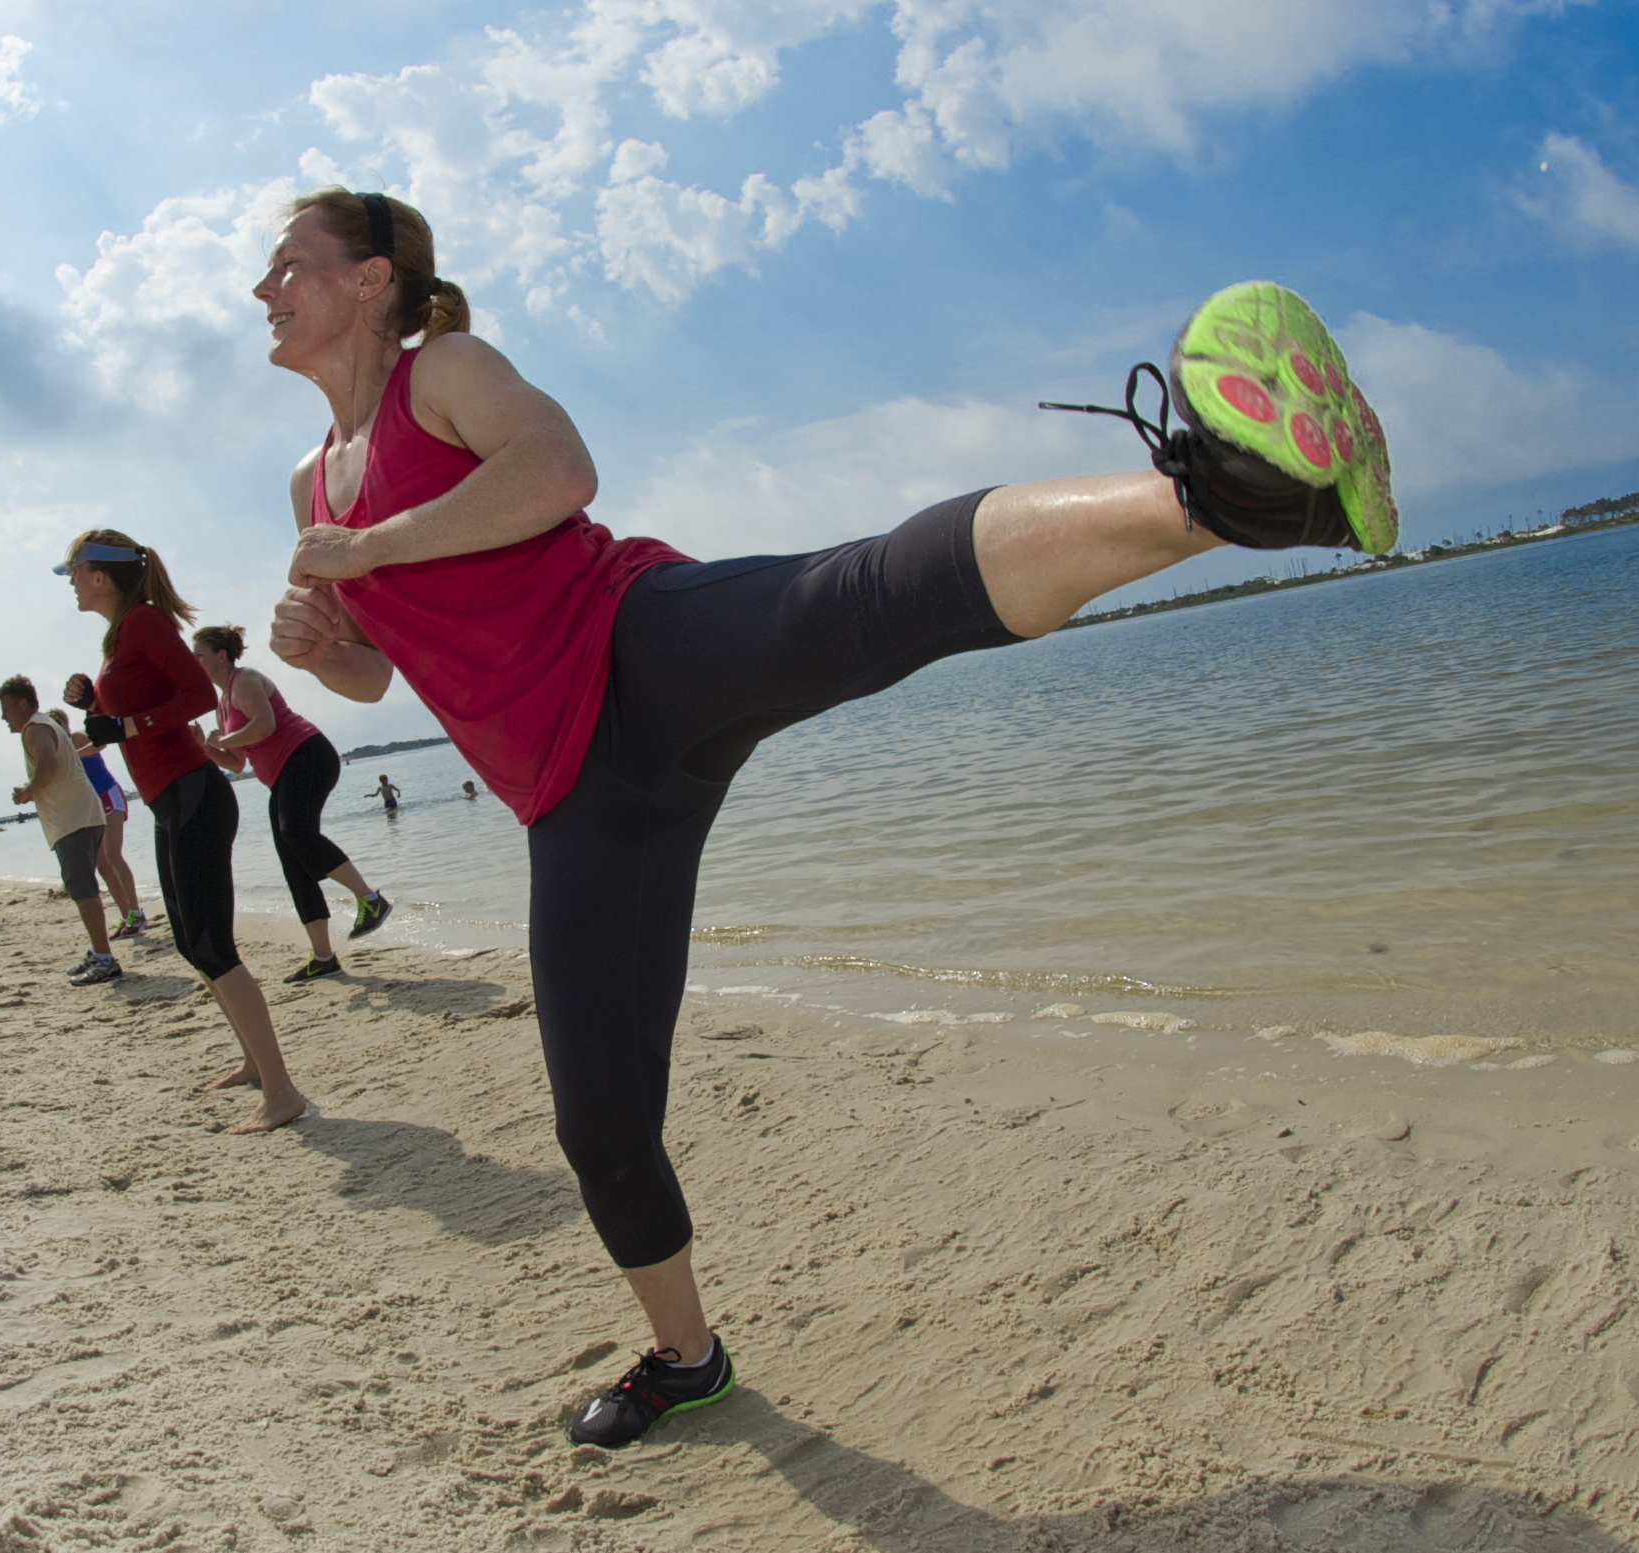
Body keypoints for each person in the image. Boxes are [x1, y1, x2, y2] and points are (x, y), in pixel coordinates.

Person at [255, 190, 1399, 1447]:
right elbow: (375, 671)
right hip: (572, 794)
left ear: (370, 281)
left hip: (635, 643)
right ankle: (684, 1356)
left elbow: (559, 472)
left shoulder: (444, 374)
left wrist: (369, 552)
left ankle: (1245, 501)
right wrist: (324, 650)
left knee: (853, 601)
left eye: (288, 265)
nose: (265, 289)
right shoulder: (311, 482)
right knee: (598, 1120)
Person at [57, 527, 309, 1132]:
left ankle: (282, 1092)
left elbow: (197, 694)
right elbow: (133, 716)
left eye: (73, 572)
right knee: (192, 944)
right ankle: (254, 1065)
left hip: (195, 794)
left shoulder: (142, 620)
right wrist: (94, 700)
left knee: (213, 946)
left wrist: (129, 724)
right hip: (169, 801)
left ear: (99, 574)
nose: (69, 584)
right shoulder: (119, 637)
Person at [190, 624, 392, 982]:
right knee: (292, 858)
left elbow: (264, 725)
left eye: (199, 654)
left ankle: (369, 898)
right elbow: (237, 763)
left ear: (220, 656)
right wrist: (206, 747)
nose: (194, 660)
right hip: (282, 776)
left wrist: (222, 741)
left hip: (307, 755)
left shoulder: (246, 679)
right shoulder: (222, 705)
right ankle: (324, 957)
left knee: (295, 831)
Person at [0, 678, 120, 984]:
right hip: (81, 813)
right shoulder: (44, 723)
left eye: (6, 708)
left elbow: (48, 766)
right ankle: (98, 950)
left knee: (82, 888)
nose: (3, 717)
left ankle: (105, 959)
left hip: (73, 818)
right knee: (83, 885)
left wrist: (26, 792)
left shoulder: (34, 728)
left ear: (23, 704)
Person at [60, 677, 148, 939]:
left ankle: (137, 914)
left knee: (113, 855)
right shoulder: (56, 750)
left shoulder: (75, 738)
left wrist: (72, 756)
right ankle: (127, 916)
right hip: (93, 807)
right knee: (103, 865)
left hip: (110, 795)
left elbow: (101, 743)